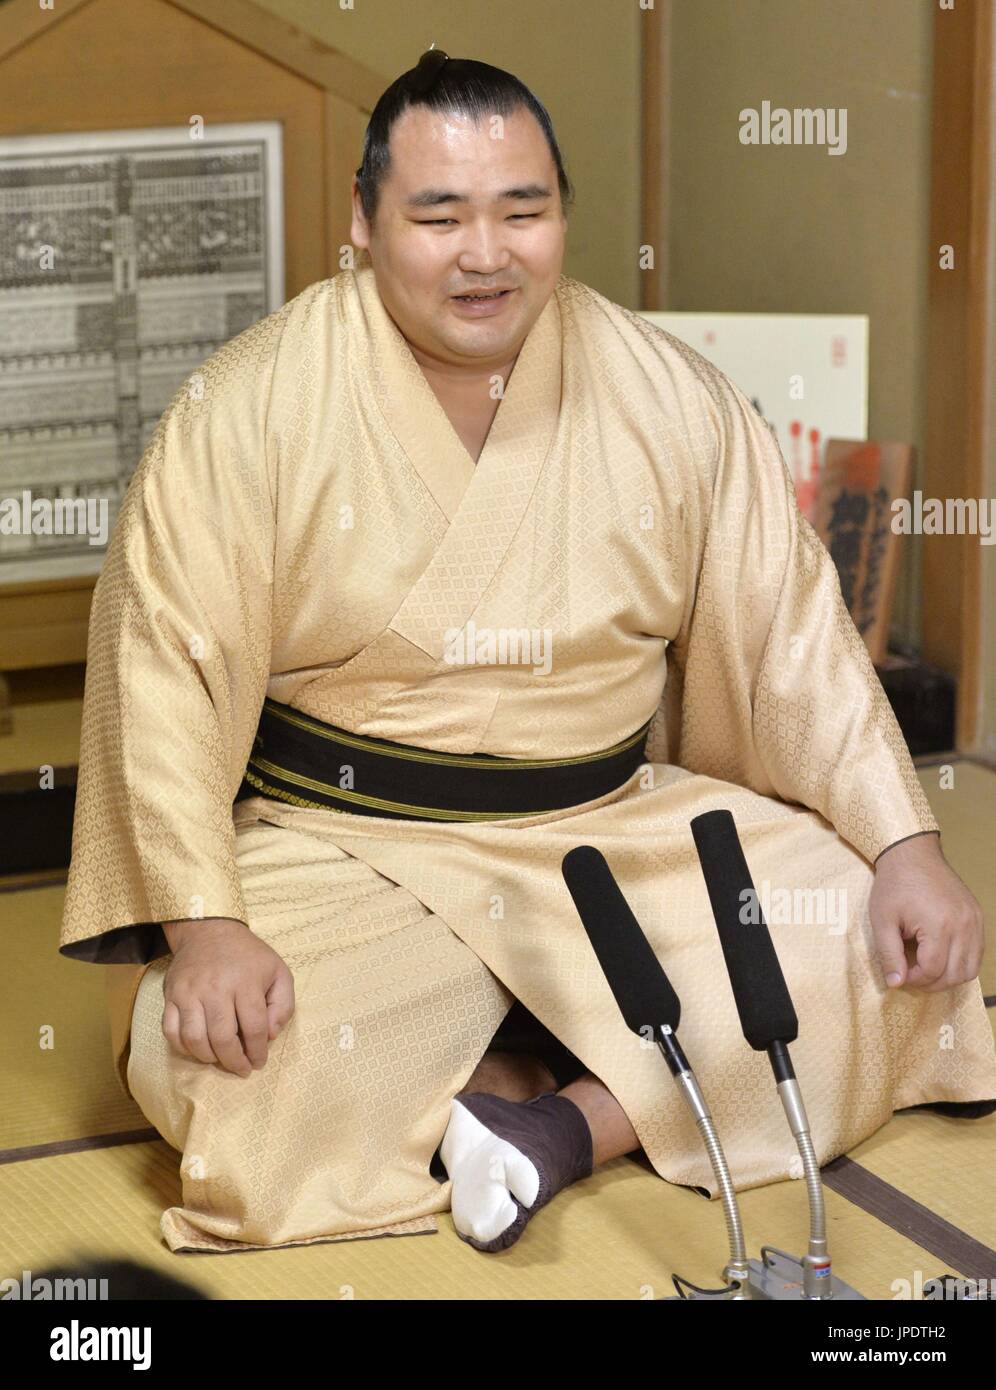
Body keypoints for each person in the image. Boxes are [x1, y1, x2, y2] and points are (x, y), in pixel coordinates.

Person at [60, 50, 996, 1257]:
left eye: (524, 210)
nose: (485, 252)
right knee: (218, 1068)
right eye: (438, 214)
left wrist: (908, 845)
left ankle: (555, 1123)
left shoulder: (669, 398)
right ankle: (538, 1053)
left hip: (610, 831)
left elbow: (791, 637)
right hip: (346, 842)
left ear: (564, 213)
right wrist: (203, 927)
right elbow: (163, 679)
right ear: (363, 219)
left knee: (877, 943)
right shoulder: (246, 412)